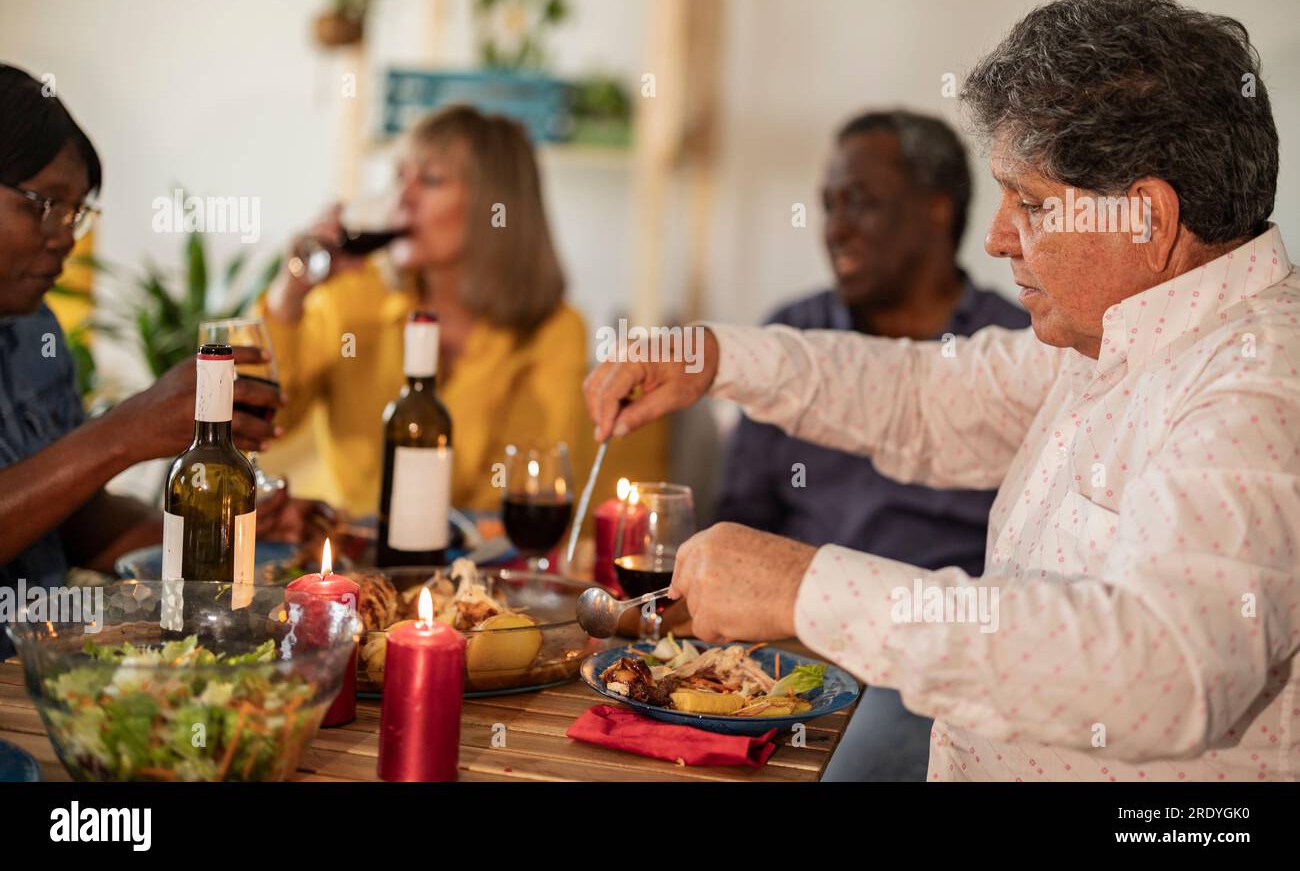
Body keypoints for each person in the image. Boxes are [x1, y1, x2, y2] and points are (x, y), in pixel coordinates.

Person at [584, 0, 1299, 781]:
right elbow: (929, 395)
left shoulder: (1262, 385)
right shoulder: (1118, 336)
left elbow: (1160, 673)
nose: (995, 237)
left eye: (1028, 203)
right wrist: (712, 358)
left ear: (1147, 220)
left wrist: (807, 587)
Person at [714, 110, 1028, 780]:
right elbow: (739, 514)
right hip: (788, 645)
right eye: (827, 204)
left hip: (928, 662)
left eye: (860, 200)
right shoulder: (793, 335)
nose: (835, 226)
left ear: (936, 210)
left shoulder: (1018, 347)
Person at [0, 64, 328, 657]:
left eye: (76, 212)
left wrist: (220, 536)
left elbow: (72, 521)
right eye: (45, 203)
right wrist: (122, 433)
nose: (66, 236)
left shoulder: (34, 329)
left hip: (40, 673)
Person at [261, 105, 664, 518]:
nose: (403, 197)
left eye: (431, 179)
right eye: (400, 176)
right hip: (336, 559)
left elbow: (521, 492)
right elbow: (263, 423)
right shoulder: (350, 299)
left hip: (471, 569)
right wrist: (288, 295)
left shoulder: (553, 331)